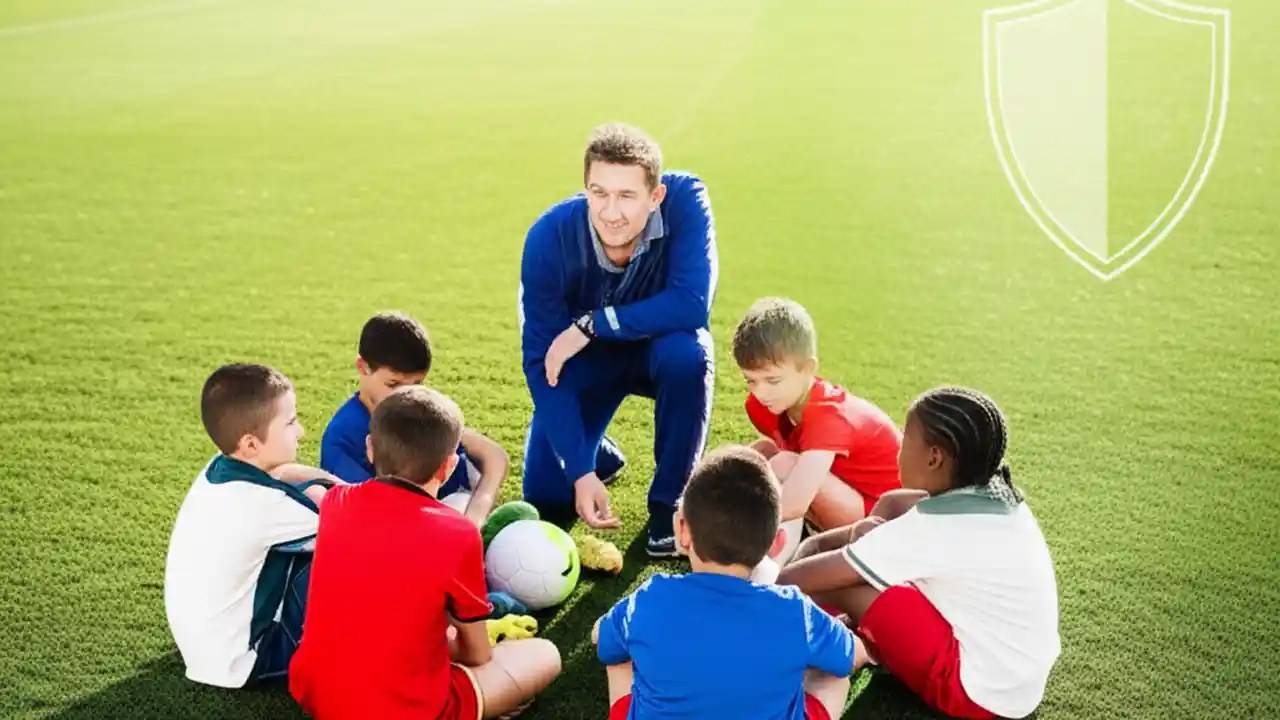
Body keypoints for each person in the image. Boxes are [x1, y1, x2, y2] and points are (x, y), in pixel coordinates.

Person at [778, 387, 1061, 720]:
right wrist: (827, 543)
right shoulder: (995, 498)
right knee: (890, 507)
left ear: (934, 458)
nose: (899, 446)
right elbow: (892, 507)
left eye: (905, 438)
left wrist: (766, 580)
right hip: (1014, 679)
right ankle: (860, 632)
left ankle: (810, 644)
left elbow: (799, 578)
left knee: (844, 584)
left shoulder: (930, 530)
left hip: (977, 693)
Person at [291, 385, 562, 719]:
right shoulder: (458, 532)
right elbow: (477, 654)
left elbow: (316, 482)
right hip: (404, 709)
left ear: (370, 448)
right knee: (545, 655)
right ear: (448, 466)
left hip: (316, 693)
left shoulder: (335, 504)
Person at [519, 122, 717, 557]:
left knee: (688, 355)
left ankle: (668, 506)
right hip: (589, 363)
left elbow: (691, 304)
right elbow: (541, 363)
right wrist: (580, 470)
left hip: (658, 350)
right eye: (599, 193)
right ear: (585, 190)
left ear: (655, 196)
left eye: (627, 195)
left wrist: (593, 324)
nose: (611, 212)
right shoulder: (548, 237)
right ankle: (597, 455)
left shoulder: (685, 199)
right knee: (547, 493)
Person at [594, 445, 864, 720]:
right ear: (777, 543)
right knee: (835, 679)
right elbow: (850, 656)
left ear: (682, 530)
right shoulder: (795, 611)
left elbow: (602, 639)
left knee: (620, 660)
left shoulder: (650, 599)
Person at [164, 363, 335, 688]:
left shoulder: (218, 469)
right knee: (342, 553)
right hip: (249, 659)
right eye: (290, 422)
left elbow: (281, 473)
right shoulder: (262, 504)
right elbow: (353, 526)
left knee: (314, 501)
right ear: (251, 445)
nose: (300, 431)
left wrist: (332, 482)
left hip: (206, 651)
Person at [733, 297, 902, 562]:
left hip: (883, 522)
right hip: (846, 497)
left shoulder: (828, 414)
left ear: (808, 368)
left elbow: (794, 504)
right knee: (760, 453)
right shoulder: (763, 406)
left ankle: (765, 564)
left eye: (773, 380)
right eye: (751, 381)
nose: (761, 392)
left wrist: (734, 525)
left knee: (785, 465)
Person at [319, 311, 510, 526]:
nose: (405, 394)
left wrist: (476, 513)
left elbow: (494, 456)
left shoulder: (420, 409)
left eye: (417, 384)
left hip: (459, 507)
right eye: (393, 384)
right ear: (363, 367)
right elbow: (370, 513)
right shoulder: (343, 437)